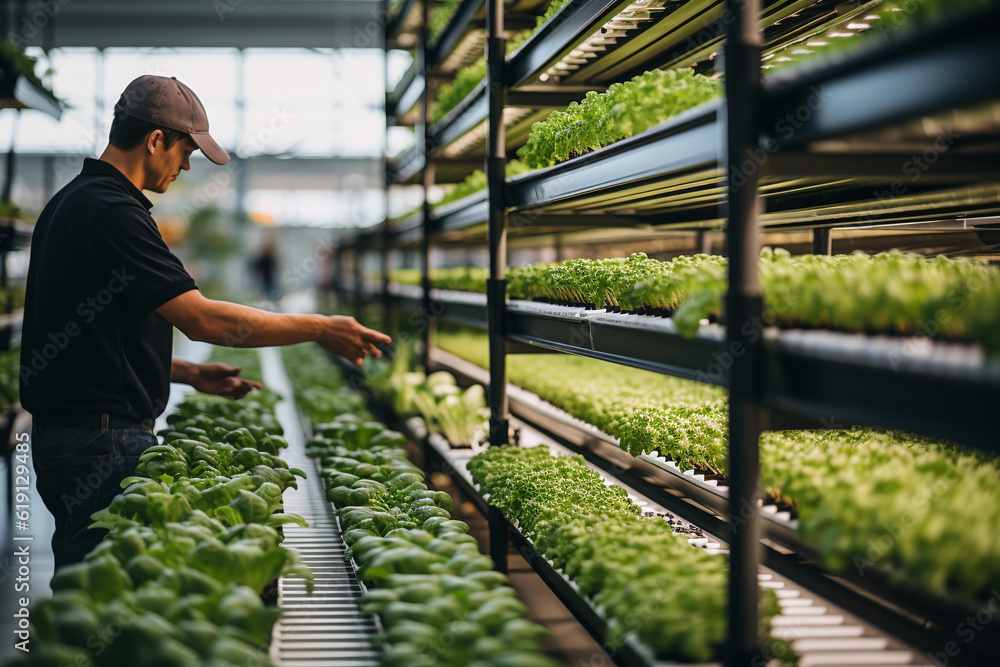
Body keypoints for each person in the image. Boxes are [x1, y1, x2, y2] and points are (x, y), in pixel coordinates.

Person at [19, 75, 391, 571]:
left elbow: (91, 338)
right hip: (99, 442)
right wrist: (320, 328)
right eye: (184, 150)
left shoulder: (75, 201)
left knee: (96, 588)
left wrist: (188, 374)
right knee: (105, 596)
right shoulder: (111, 211)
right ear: (155, 140)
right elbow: (200, 318)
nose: (187, 165)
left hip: (81, 434)